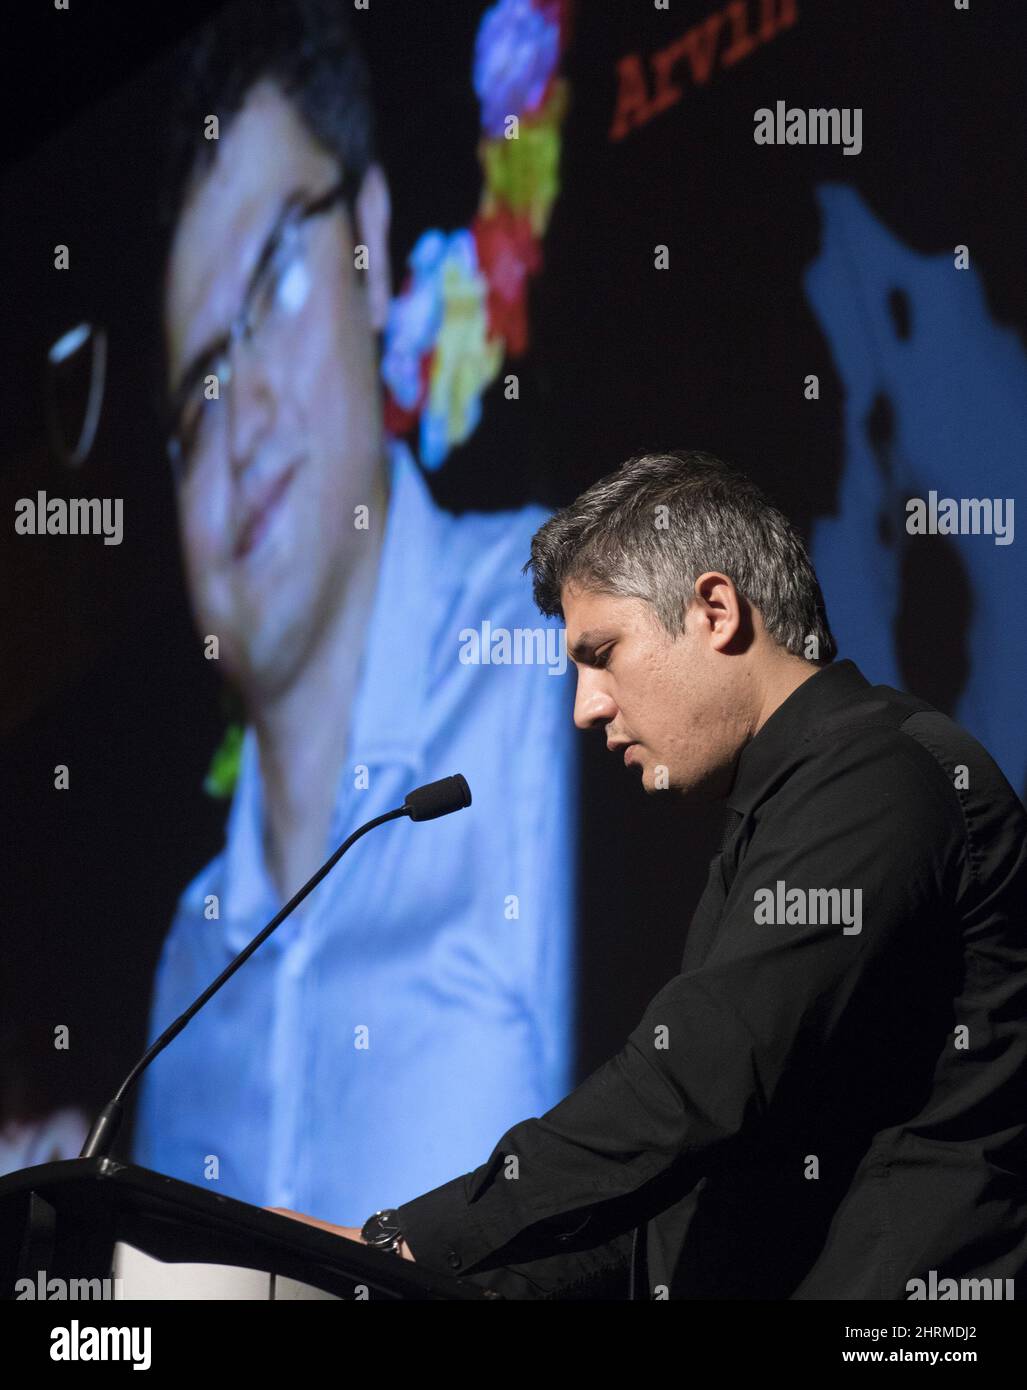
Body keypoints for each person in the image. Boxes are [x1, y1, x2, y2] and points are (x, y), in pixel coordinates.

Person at [269, 450, 1027, 1299]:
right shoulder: (784, 809)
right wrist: (417, 1281)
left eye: (602, 652)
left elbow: (687, 1089)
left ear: (714, 611)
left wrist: (405, 1242)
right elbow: (677, 1215)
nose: (584, 706)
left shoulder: (877, 777)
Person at [132, 0, 577, 1222]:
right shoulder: (184, 972)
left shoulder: (563, 656)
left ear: (372, 241)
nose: (243, 418)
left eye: (272, 278)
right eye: (193, 390)